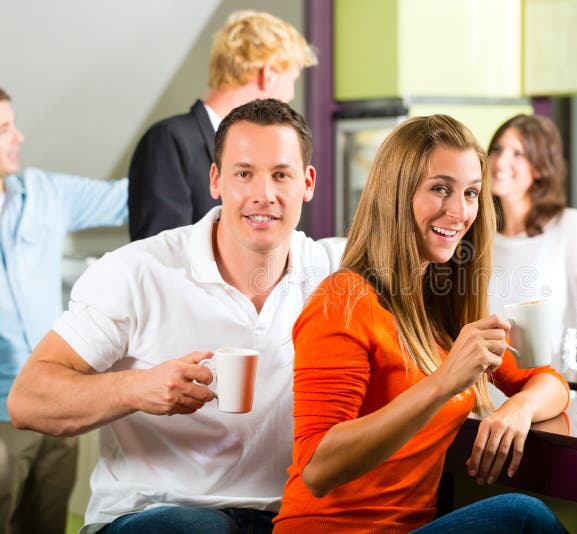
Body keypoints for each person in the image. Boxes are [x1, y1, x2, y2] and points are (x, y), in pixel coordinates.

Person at [8, 99, 343, 534]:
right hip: (155, 513)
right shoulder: (135, 271)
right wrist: (137, 388)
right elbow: (27, 400)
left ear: (308, 183)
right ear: (216, 180)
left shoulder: (333, 272)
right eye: (244, 174)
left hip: (287, 515)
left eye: (281, 174)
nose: (264, 193)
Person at [273, 115, 570, 533]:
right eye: (440, 189)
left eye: (470, 193)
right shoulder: (342, 300)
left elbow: (549, 382)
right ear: (396, 194)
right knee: (521, 518)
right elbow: (318, 469)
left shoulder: (443, 310)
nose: (460, 211)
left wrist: (519, 408)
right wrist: (444, 382)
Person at [0, 87, 128, 534]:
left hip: (52, 407)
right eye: (4, 128)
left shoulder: (45, 193)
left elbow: (133, 196)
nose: (18, 136)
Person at [128, 10, 318, 241]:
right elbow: (158, 256)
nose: (291, 94)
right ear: (268, 76)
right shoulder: (169, 141)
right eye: (292, 80)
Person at [486, 114, 577, 370]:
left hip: (551, 390)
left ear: (541, 167)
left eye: (517, 153)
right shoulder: (479, 235)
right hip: (487, 392)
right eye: (497, 149)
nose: (501, 161)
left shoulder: (569, 226)